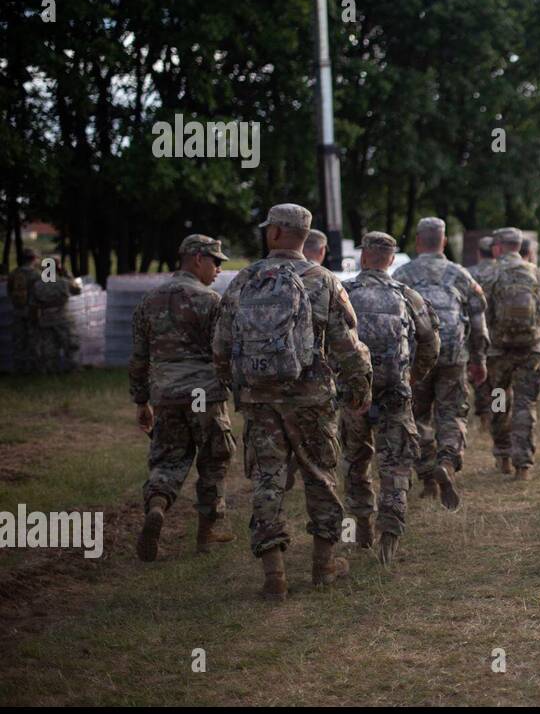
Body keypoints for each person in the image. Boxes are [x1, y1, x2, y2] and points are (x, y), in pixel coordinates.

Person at [213, 204, 372, 600]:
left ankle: (274, 574)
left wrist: (233, 385)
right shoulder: (324, 281)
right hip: (311, 399)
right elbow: (347, 345)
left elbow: (221, 343)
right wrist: (359, 387)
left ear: (275, 234)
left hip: (259, 398)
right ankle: (323, 566)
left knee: (268, 480)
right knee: (319, 476)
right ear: (304, 236)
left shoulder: (245, 280)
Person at [129, 235, 236, 561]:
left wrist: (141, 401)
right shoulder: (211, 301)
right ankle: (206, 534)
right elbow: (224, 351)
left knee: (168, 458)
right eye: (216, 261)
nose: (218, 269)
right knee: (214, 459)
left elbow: (138, 358)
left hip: (166, 395)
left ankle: (158, 507)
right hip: (204, 394)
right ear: (196, 259)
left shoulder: (149, 300)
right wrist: (230, 387)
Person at [341, 232, 439, 565]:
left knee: (356, 461)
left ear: (364, 257)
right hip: (396, 392)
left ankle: (360, 528)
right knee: (395, 464)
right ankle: (390, 537)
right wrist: (413, 376)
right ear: (392, 261)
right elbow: (431, 343)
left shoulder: (345, 294)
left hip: (355, 394)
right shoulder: (408, 296)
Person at [393, 217, 489, 508]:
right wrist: (479, 359)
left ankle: (427, 478)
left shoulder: (403, 274)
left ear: (418, 241)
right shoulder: (459, 274)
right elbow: (478, 321)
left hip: (416, 358)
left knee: (418, 416)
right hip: (453, 357)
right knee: (452, 414)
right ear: (444, 241)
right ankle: (447, 463)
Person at [479, 226, 540, 480]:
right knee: (525, 404)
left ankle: (503, 455)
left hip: (498, 351)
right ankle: (523, 464)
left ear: (497, 248)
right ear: (521, 246)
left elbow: (480, 315)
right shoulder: (538, 274)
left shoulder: (489, 274)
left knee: (500, 400)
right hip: (531, 350)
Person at [29, 256, 82, 372]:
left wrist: (35, 321)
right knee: (71, 346)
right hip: (63, 318)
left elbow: (33, 305)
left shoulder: (37, 285)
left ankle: (50, 371)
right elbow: (78, 290)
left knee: (49, 349)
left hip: (46, 320)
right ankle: (73, 370)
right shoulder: (63, 283)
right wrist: (67, 274)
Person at [468, 235, 498, 430]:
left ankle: (485, 417)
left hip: (476, 333)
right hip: (499, 335)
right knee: (498, 382)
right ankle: (497, 414)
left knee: (479, 378)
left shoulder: (470, 274)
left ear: (478, 253)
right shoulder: (501, 272)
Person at [5, 249, 40, 373]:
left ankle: (19, 369)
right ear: (33, 259)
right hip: (32, 311)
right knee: (33, 340)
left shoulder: (14, 273)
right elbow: (40, 293)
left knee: (19, 340)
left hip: (18, 311)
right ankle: (33, 369)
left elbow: (9, 291)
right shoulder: (36, 275)